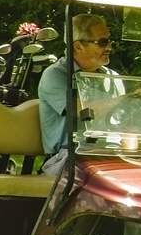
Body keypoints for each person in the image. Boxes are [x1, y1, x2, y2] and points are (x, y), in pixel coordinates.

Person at [38, 13, 124, 171]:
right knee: (101, 186)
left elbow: (127, 127)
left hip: (111, 156)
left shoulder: (114, 78)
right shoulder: (55, 75)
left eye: (109, 41)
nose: (109, 47)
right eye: (102, 42)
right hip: (69, 157)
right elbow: (81, 110)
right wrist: (125, 99)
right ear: (78, 46)